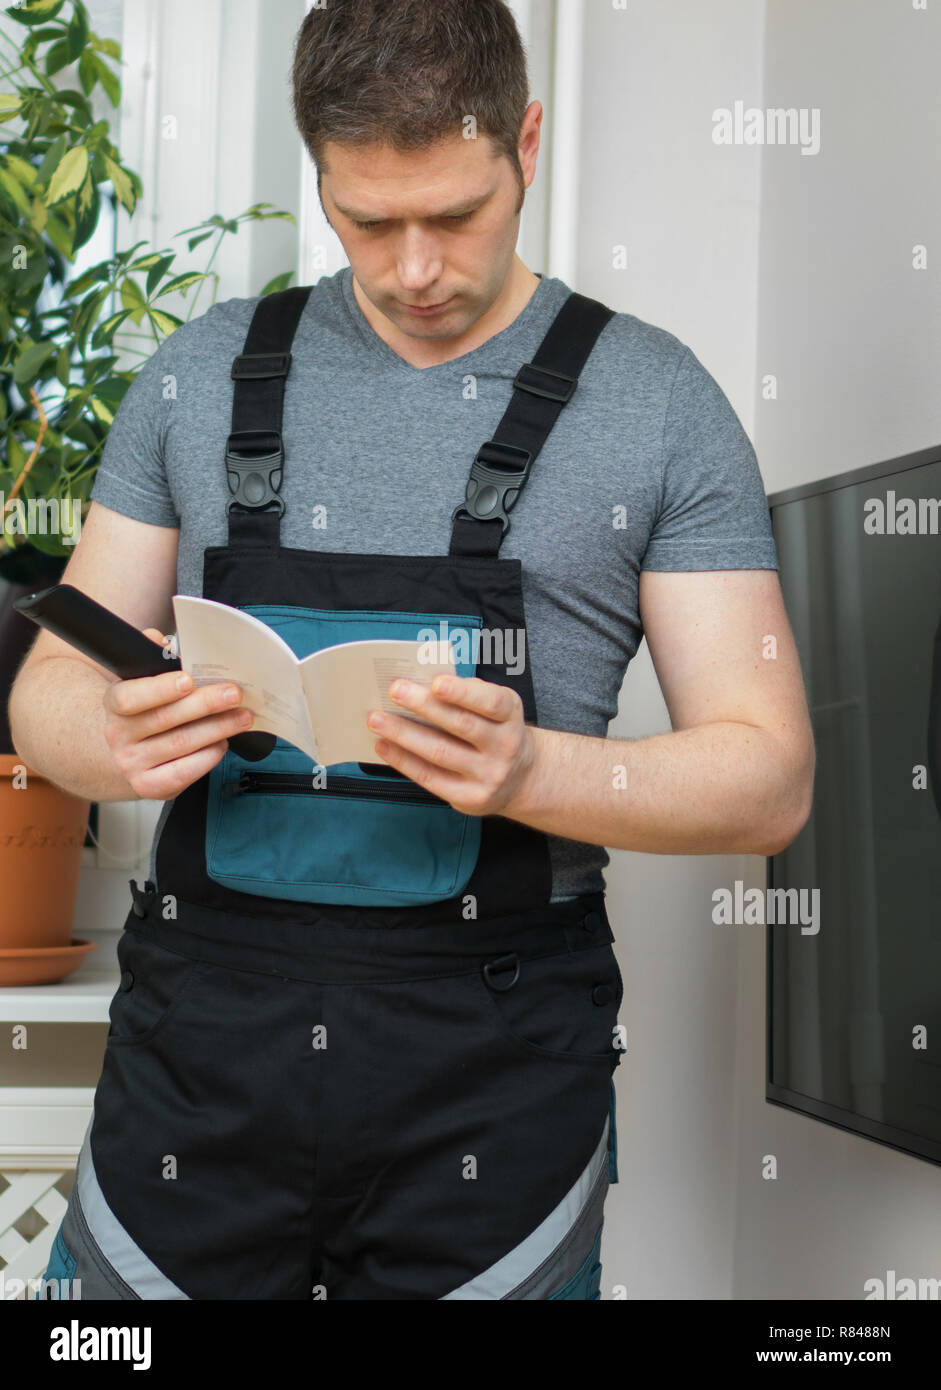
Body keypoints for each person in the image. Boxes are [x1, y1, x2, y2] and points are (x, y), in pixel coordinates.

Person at [10, 0, 814, 1301]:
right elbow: (52, 679)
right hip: (197, 1071)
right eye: (365, 220)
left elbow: (768, 779)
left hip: (493, 1086)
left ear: (527, 144)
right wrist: (99, 738)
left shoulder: (659, 403)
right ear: (315, 172)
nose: (413, 269)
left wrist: (533, 770)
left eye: (454, 213)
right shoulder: (197, 375)